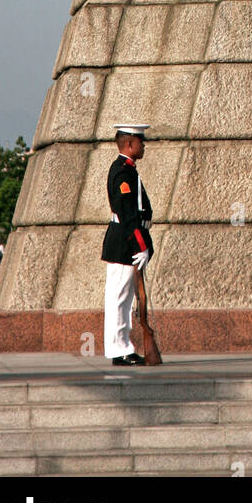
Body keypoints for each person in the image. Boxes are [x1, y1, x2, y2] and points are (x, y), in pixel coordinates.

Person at [101, 124, 153, 367]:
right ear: (130, 143)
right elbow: (127, 213)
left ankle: (123, 347)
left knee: (125, 298)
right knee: (119, 299)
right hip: (124, 242)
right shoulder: (123, 171)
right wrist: (140, 245)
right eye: (140, 141)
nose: (143, 146)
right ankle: (118, 349)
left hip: (126, 241)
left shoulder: (128, 169)